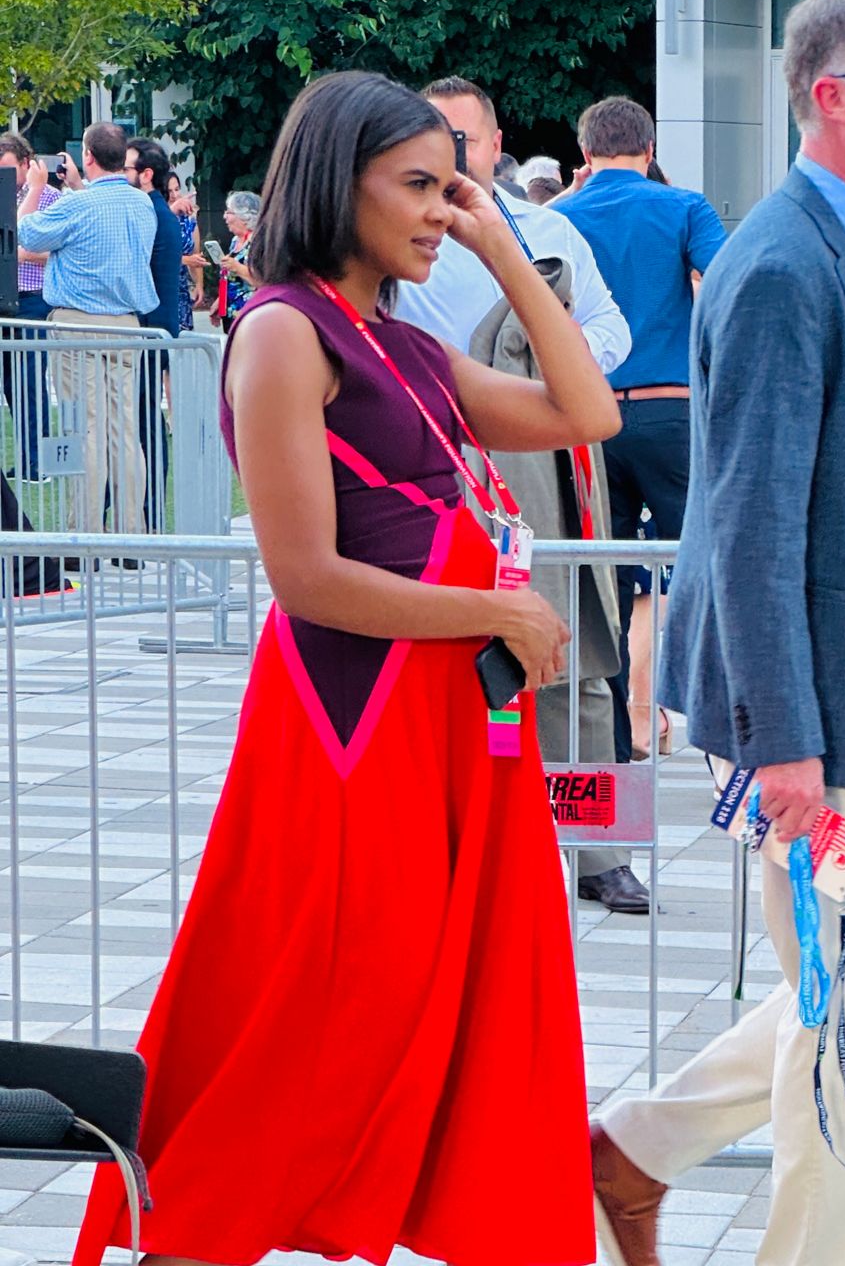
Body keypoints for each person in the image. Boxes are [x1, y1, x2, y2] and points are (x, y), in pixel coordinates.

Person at [72, 69, 622, 1266]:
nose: (440, 209)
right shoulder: (281, 330)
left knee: (436, 1000)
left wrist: (504, 245)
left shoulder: (410, 350)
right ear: (340, 180)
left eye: (452, 186)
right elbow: (307, 576)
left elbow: (588, 412)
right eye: (418, 186)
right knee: (322, 1004)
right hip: (353, 722)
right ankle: (196, 1227)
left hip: (446, 718)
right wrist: (494, 608)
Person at [590, 0, 845, 1265]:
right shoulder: (784, 264)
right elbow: (748, 522)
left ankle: (630, 1147)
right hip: (808, 729)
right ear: (832, 96)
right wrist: (777, 746)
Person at [398, 76, 650, 915]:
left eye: (464, 142)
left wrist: (549, 365)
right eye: (434, 143)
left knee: (579, 661)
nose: (452, 161)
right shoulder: (397, 241)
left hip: (546, 470)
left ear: (497, 142)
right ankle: (482, 843)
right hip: (442, 471)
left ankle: (598, 851)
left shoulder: (551, 231)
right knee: (475, 668)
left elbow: (612, 330)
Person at [554, 96, 726, 763]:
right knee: (705, 565)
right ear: (649, 150)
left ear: (585, 152)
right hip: (672, 408)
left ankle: (617, 736)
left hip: (591, 415)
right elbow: (728, 279)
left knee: (607, 578)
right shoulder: (684, 207)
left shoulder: (559, 218)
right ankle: (719, 726)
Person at [17, 122, 157, 537]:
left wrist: (36, 191)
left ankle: (86, 533)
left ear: (88, 156)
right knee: (125, 432)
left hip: (79, 326)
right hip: (127, 326)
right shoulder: (140, 204)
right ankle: (132, 533)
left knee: (86, 431)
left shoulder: (76, 206)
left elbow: (25, 233)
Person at [126, 138, 182, 535]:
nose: (120, 174)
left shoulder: (153, 213)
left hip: (150, 331)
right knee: (144, 422)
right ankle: (147, 515)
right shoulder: (154, 211)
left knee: (145, 423)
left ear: (146, 174)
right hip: (153, 330)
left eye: (126, 169)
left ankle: (151, 516)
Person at [0, 132, 61, 481]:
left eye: (9, 169)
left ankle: (38, 461)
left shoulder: (51, 198)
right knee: (12, 385)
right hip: (6, 299)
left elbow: (58, 251)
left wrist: (23, 254)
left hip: (34, 298)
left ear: (27, 163)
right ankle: (26, 457)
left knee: (31, 382)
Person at [209, 190, 259, 333]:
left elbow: (263, 280)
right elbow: (231, 278)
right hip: (232, 312)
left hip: (249, 313)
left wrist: (236, 267)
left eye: (229, 212)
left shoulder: (258, 242)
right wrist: (220, 301)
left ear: (244, 216)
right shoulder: (235, 241)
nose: (224, 216)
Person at [166, 170, 206, 332]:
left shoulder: (188, 218)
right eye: (169, 191)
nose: (175, 195)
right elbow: (154, 253)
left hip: (181, 289)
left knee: (184, 342)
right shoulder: (156, 215)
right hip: (162, 287)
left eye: (177, 189)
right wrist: (184, 260)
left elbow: (195, 254)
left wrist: (199, 285)